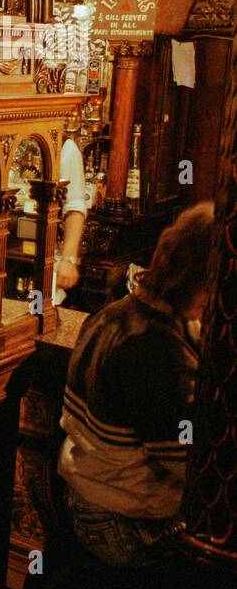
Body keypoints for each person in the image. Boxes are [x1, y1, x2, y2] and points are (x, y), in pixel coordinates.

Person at [57, 202, 214, 569]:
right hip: (121, 520)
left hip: (80, 497)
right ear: (204, 280)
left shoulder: (114, 312)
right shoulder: (157, 350)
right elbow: (190, 468)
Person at [53, 135, 89, 305]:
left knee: (38, 314)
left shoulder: (65, 147)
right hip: (5, 255)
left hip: (46, 258)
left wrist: (68, 259)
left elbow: (75, 206)